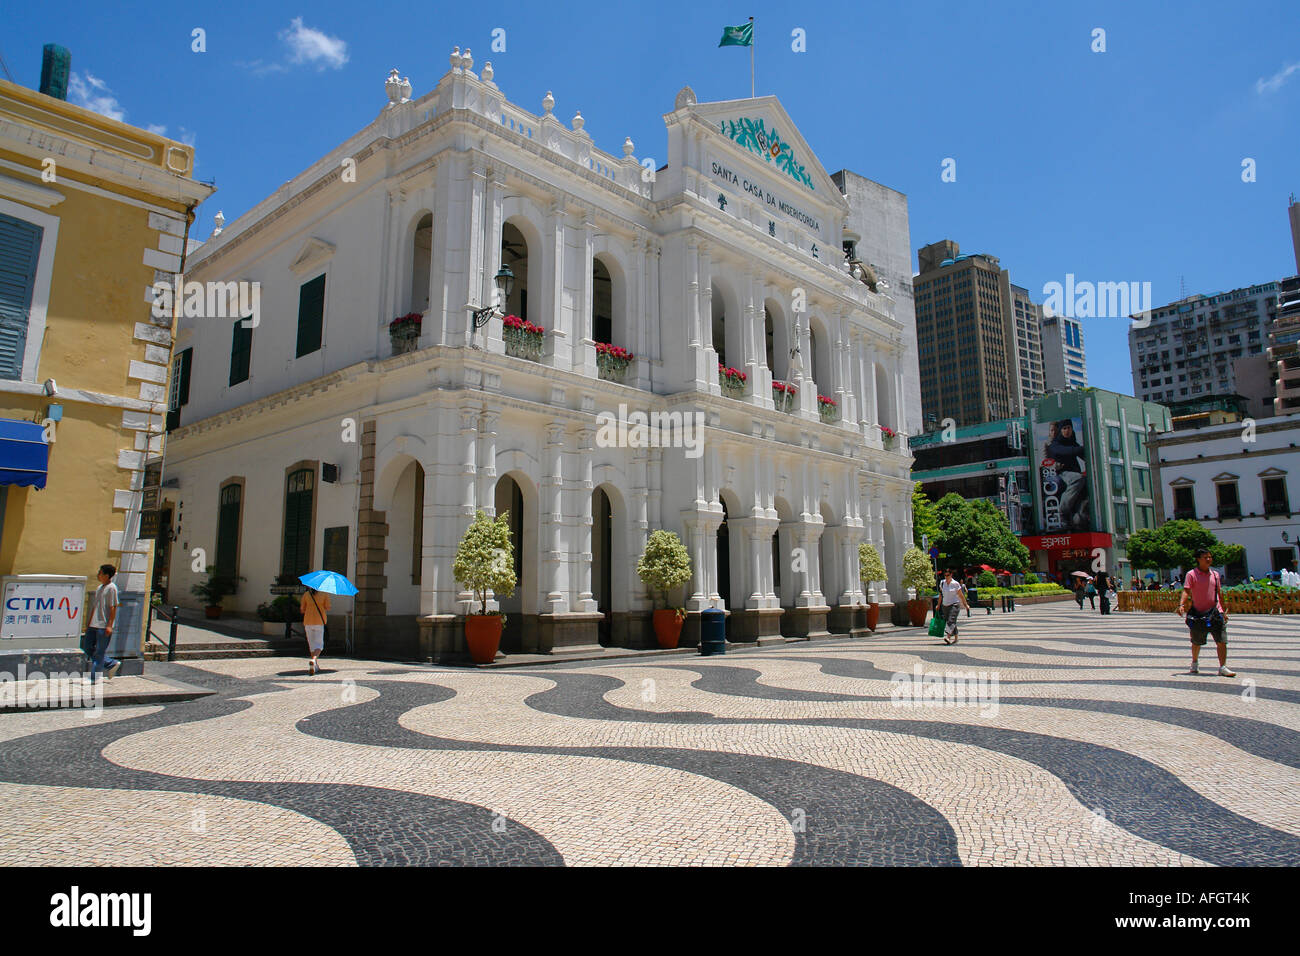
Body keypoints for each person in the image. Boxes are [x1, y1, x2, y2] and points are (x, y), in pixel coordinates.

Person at [1177, 548, 1236, 677]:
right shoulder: (1191, 574)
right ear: (1198, 559)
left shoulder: (1215, 574)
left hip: (1216, 612)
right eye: (1205, 557)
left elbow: (1219, 593)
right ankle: (1195, 662)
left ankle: (1222, 666)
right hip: (1199, 613)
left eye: (1210, 557)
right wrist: (1182, 604)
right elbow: (1186, 590)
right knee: (1197, 641)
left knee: (1222, 640)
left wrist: (1224, 610)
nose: (1209, 559)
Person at [84, 564, 122, 683]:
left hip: (103, 625)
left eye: (100, 573)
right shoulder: (100, 587)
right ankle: (111, 663)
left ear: (106, 575)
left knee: (99, 651)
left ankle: (94, 677)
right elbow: (95, 607)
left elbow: (113, 607)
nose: (98, 575)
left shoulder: (112, 588)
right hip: (93, 625)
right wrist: (89, 623)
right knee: (87, 647)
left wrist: (109, 625)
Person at [299, 586, 332, 675]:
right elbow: (328, 607)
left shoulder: (306, 594)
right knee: (319, 645)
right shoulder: (324, 594)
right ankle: (313, 660)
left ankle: (315, 665)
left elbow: (302, 609)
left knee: (312, 644)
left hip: (308, 621)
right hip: (319, 621)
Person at [938, 568, 969, 644]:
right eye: (945, 575)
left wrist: (966, 605)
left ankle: (948, 637)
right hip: (945, 605)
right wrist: (938, 605)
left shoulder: (955, 584)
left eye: (948, 575)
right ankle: (956, 637)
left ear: (951, 575)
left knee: (950, 621)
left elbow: (961, 595)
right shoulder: (942, 583)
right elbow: (941, 595)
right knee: (951, 622)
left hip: (954, 605)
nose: (946, 577)